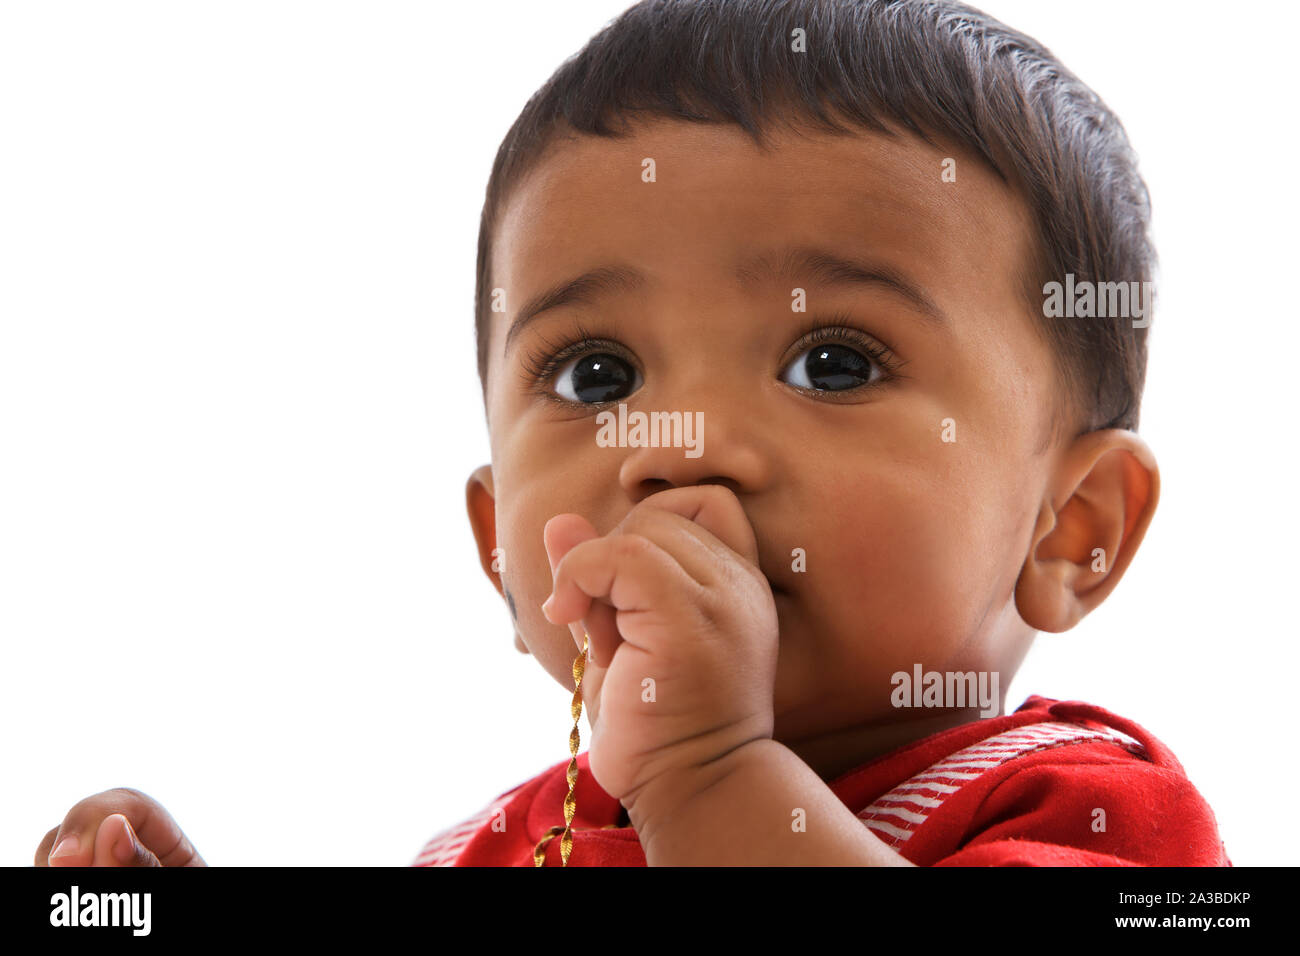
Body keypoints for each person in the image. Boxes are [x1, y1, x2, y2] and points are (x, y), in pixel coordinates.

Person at [35, 0, 1228, 868]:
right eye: (596, 373)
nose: (677, 444)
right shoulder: (491, 850)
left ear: (1070, 528)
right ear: (504, 547)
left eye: (833, 362)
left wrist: (707, 777)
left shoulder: (1084, 813)